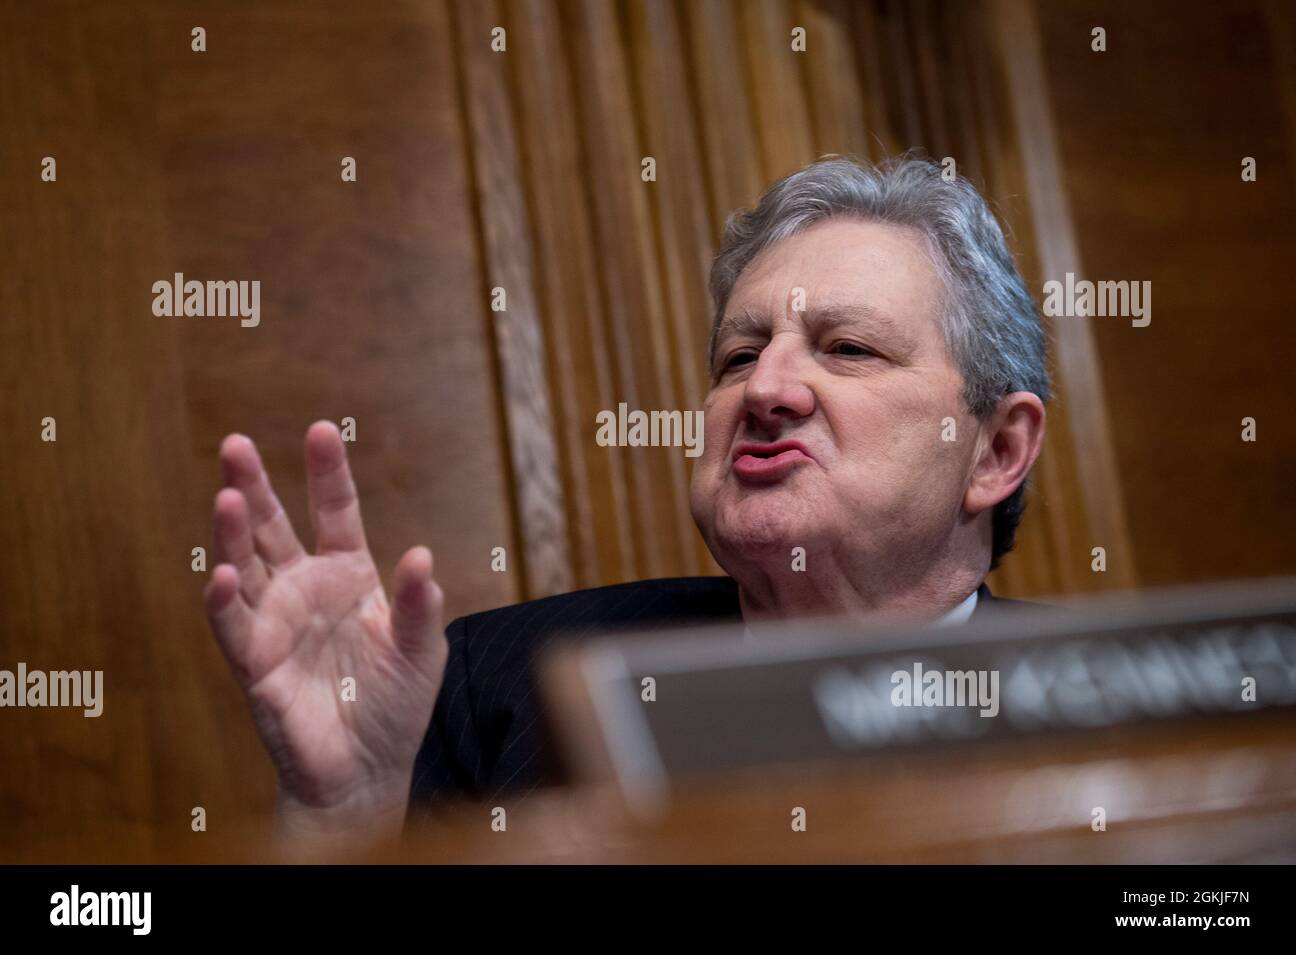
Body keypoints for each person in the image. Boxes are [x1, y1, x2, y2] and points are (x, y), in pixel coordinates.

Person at [203, 155, 1049, 845]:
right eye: (738, 356)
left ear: (995, 450)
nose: (769, 388)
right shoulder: (501, 683)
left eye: (850, 348)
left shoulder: (1113, 704)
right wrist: (346, 813)